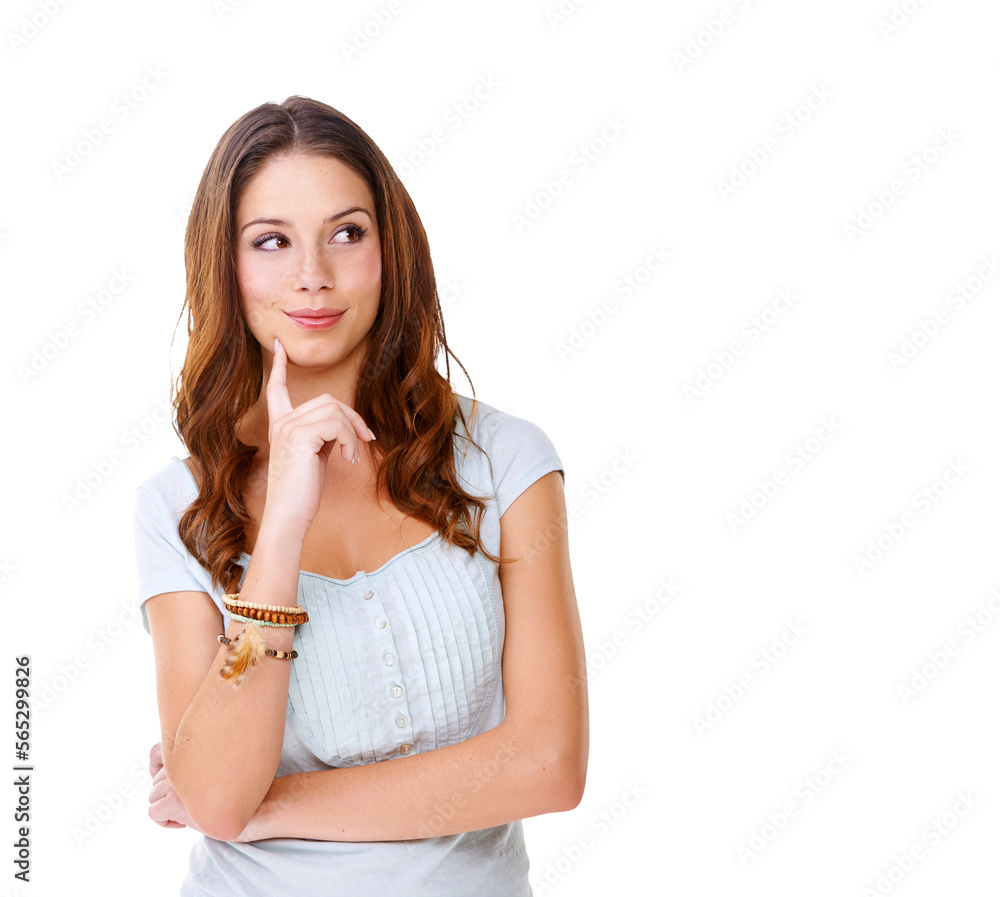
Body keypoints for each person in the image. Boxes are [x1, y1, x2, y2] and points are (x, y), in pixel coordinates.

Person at [133, 94, 588, 895]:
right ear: (226, 267)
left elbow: (549, 763)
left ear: (392, 250)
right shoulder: (175, 508)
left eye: (347, 233)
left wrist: (266, 808)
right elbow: (213, 797)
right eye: (271, 241)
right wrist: (279, 533)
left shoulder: (508, 461)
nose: (313, 275)